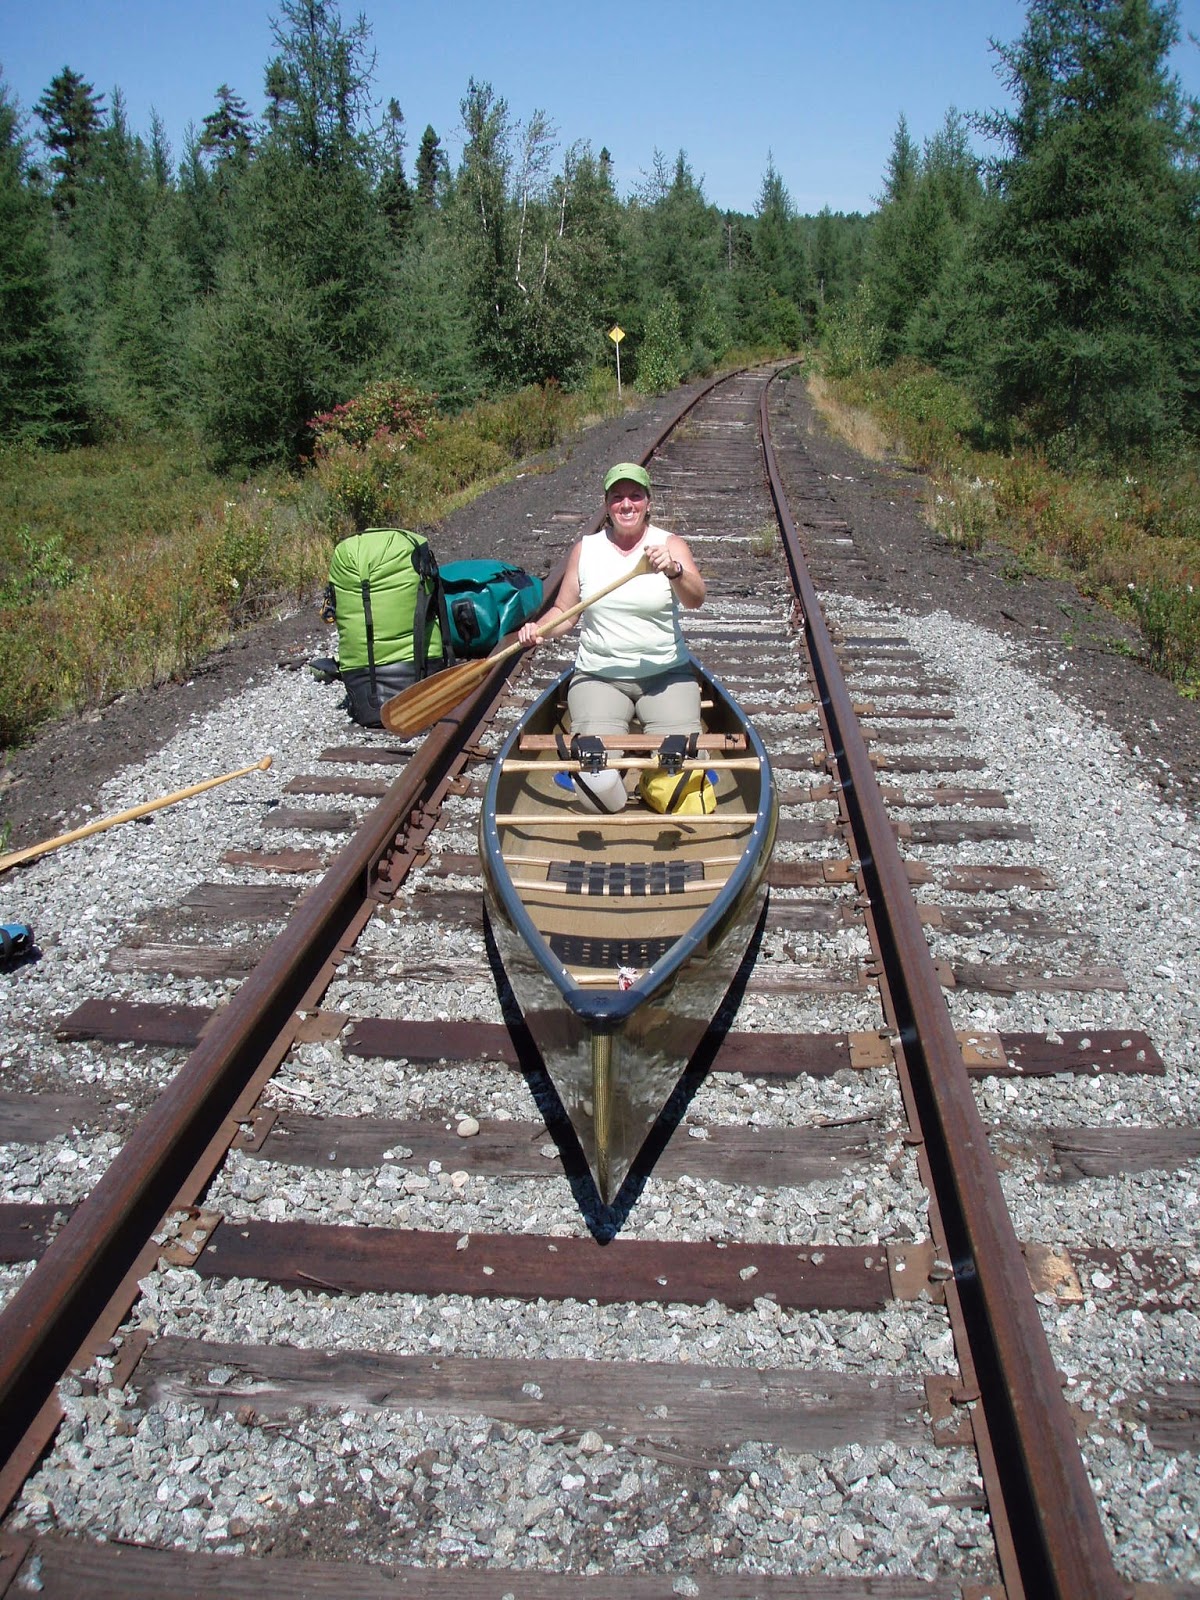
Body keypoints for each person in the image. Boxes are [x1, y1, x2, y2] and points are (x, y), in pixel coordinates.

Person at [518, 461, 706, 809]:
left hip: (665, 676)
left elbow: (696, 598)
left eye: (635, 496)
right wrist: (539, 629)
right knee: (596, 781)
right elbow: (564, 612)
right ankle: (614, 776)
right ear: (607, 505)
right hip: (599, 677)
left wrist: (675, 571)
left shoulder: (669, 544)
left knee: (678, 775)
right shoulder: (586, 550)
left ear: (648, 502)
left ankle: (650, 771)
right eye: (617, 497)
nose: (627, 504)